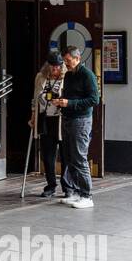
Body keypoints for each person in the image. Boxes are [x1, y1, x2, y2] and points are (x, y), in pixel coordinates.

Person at [52, 45, 99, 209]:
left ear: (78, 58)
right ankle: (76, 193)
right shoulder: (69, 75)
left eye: (68, 60)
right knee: (69, 157)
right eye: (64, 61)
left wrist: (70, 103)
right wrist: (60, 101)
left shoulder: (87, 75)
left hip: (81, 120)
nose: (66, 64)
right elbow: (69, 95)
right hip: (67, 118)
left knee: (79, 157)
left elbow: (94, 99)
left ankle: (87, 195)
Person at [30, 53, 66, 197]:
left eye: (58, 66)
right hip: (45, 119)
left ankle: (67, 186)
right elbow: (35, 98)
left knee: (65, 155)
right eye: (52, 66)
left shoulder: (67, 76)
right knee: (48, 155)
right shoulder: (40, 77)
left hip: (61, 120)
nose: (55, 69)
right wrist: (33, 114)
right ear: (48, 65)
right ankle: (51, 185)